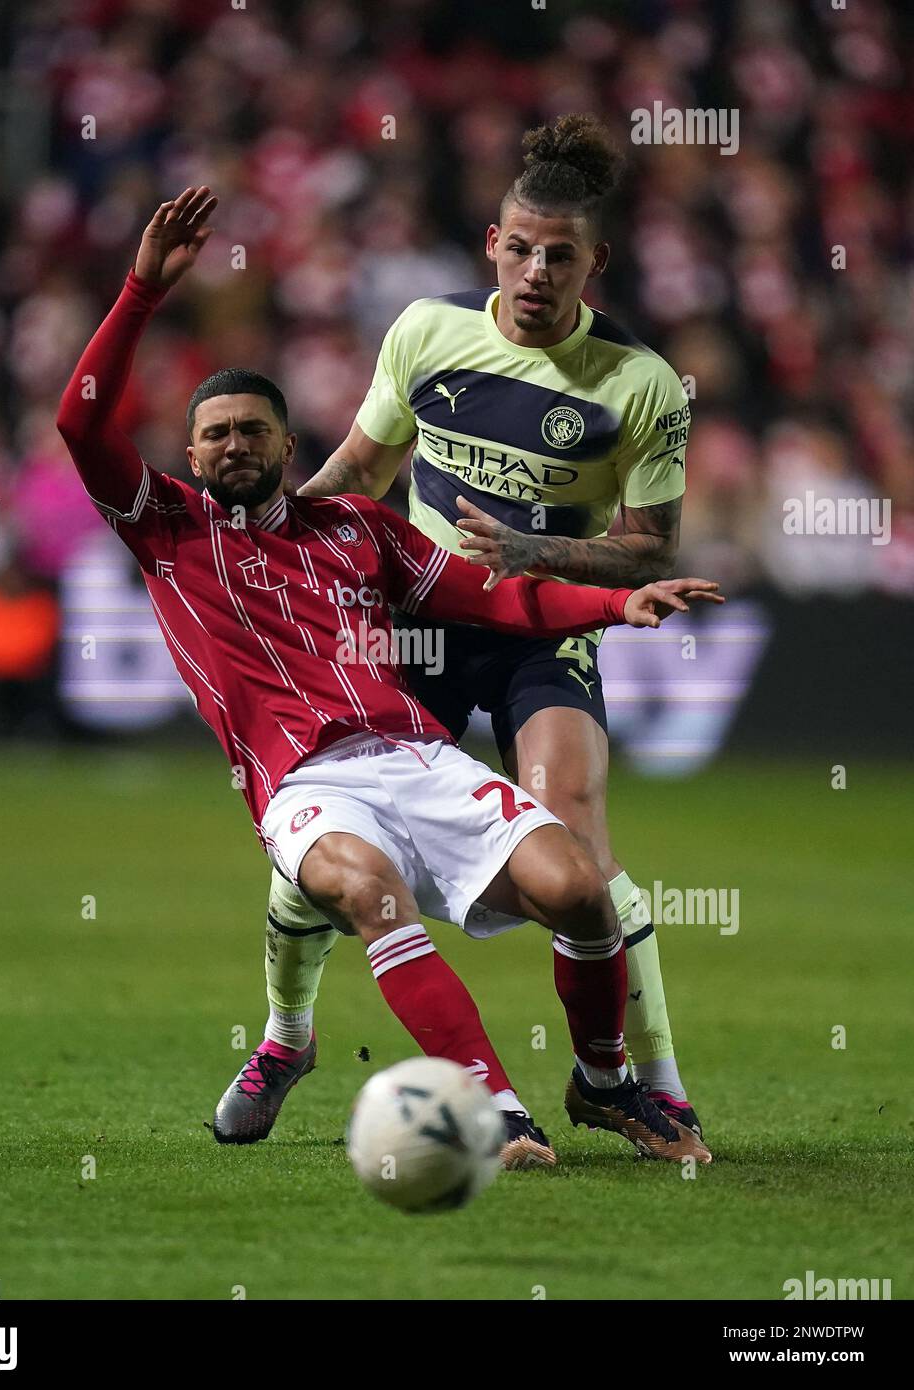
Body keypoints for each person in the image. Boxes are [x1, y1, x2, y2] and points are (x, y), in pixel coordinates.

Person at [56, 186, 721, 1169]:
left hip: (412, 750)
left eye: (254, 430)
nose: (235, 444)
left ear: (292, 448)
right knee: (368, 894)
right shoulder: (168, 529)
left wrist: (615, 605)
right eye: (216, 434)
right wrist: (141, 293)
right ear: (189, 456)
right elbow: (80, 424)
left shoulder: (357, 529)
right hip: (304, 786)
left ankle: (608, 1078)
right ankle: (488, 1106)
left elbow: (497, 601)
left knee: (580, 887)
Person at [219, 113, 709, 1154]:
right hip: (421, 617)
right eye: (519, 248)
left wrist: (545, 559)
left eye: (560, 255)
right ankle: (284, 1035)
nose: (536, 271)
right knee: (330, 826)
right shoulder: (427, 332)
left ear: (596, 262)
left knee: (574, 835)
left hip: (535, 625)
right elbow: (357, 468)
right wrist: (274, 548)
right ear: (492, 244)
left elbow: (647, 548)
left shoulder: (643, 387)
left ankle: (638, 1079)